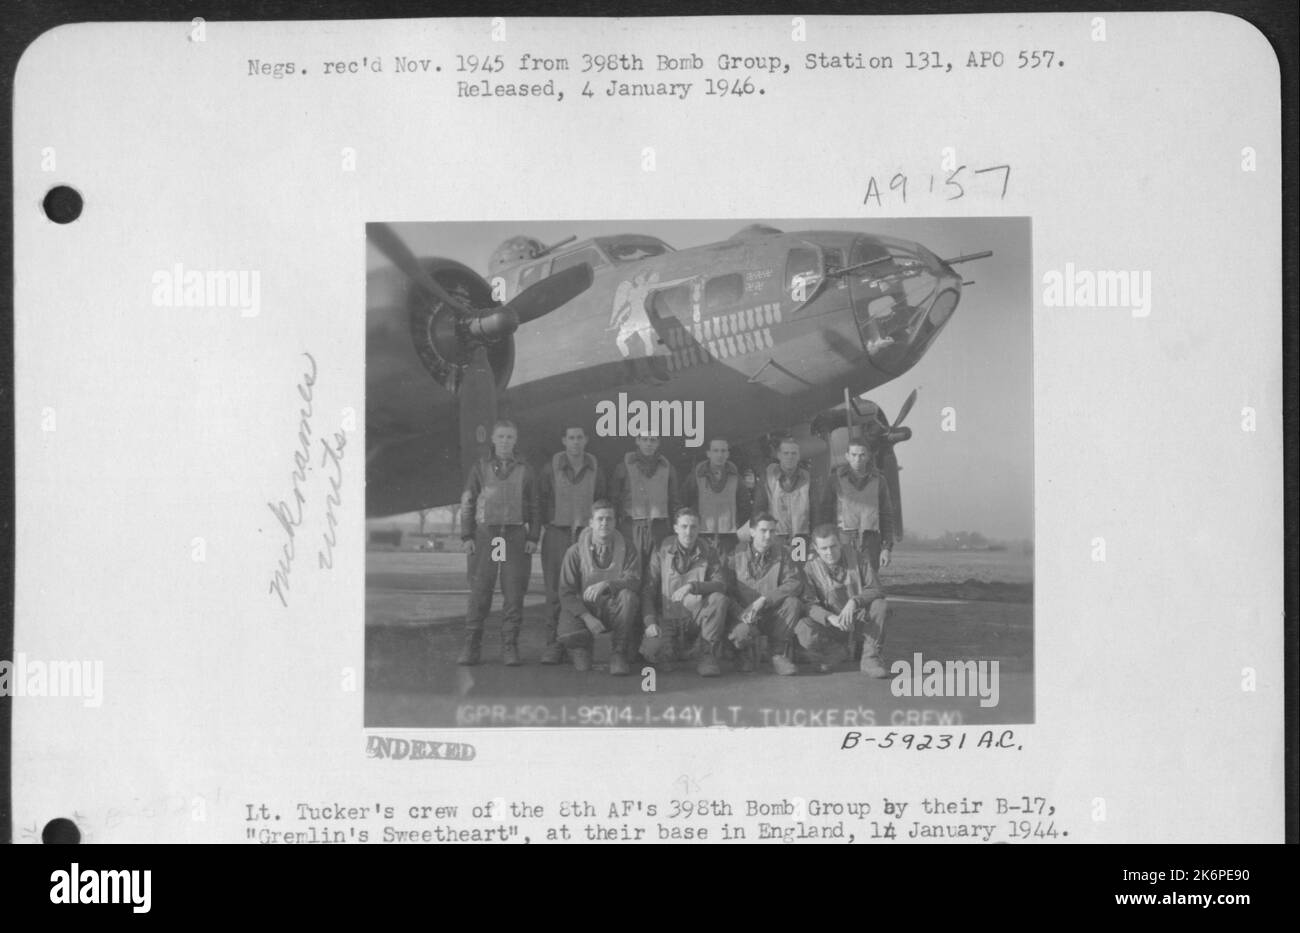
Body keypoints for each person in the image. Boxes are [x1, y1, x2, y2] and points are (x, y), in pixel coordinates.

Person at [456, 420, 541, 666]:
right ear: (493, 439)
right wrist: (467, 536)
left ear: (516, 441)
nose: (505, 441)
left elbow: (535, 505)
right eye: (501, 437)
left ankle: (509, 646)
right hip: (487, 535)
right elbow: (468, 501)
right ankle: (471, 646)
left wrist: (533, 537)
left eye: (510, 437)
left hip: (514, 536)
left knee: (514, 593)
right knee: (481, 591)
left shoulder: (526, 469)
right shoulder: (480, 466)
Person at [537, 425, 606, 665]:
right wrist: (550, 524)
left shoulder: (595, 469)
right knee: (555, 591)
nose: (575, 442)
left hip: (586, 536)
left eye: (580, 438)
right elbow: (540, 498)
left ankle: (580, 645)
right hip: (557, 534)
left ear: (585, 440)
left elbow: (602, 499)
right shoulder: (550, 469)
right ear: (564, 441)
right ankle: (553, 644)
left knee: (585, 590)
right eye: (571, 438)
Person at [555, 500, 641, 675]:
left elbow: (634, 581)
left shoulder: (628, 547)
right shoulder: (575, 552)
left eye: (609, 519)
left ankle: (619, 652)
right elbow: (566, 592)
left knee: (628, 596)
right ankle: (581, 648)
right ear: (591, 522)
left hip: (613, 608)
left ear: (615, 522)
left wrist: (607, 584)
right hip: (585, 610)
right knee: (579, 658)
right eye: (600, 519)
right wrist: (587, 618)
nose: (604, 523)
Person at [641, 508, 729, 677]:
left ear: (699, 528)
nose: (688, 532)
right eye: (684, 526)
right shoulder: (661, 549)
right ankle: (678, 650)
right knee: (653, 651)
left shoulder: (709, 551)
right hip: (667, 617)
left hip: (694, 618)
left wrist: (692, 586)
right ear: (675, 528)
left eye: (693, 527)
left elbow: (721, 584)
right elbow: (648, 589)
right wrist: (650, 622)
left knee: (719, 599)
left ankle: (707, 655)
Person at [800, 524, 889, 677]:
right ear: (815, 547)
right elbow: (809, 604)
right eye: (824, 548)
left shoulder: (858, 558)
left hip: (858, 619)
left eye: (833, 546)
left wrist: (855, 601)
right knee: (803, 625)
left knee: (880, 605)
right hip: (832, 624)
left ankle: (870, 659)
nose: (829, 553)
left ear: (840, 542)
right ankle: (835, 650)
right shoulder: (810, 568)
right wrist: (829, 618)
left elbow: (877, 589)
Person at [725, 513, 806, 676]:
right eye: (763, 530)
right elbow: (726, 590)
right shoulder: (735, 555)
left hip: (771, 614)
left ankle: (777, 654)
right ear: (752, 532)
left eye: (772, 531)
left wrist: (764, 600)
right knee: (740, 635)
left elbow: (795, 582)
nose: (768, 536)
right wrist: (740, 613)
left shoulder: (783, 553)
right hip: (743, 615)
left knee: (792, 603)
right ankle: (742, 654)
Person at [816, 430, 895, 574]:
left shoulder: (880, 481)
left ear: (868, 457)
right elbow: (824, 515)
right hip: (843, 539)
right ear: (847, 456)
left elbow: (886, 516)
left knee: (869, 584)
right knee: (843, 583)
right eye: (854, 455)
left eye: (862, 455)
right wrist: (821, 545)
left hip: (871, 542)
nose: (857, 459)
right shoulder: (834, 480)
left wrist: (886, 548)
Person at [609, 432, 679, 580]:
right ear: (637, 441)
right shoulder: (623, 467)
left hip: (659, 527)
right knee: (632, 570)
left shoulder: (668, 468)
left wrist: (675, 529)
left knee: (656, 572)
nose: (649, 443)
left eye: (653, 440)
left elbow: (675, 500)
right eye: (645, 439)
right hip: (632, 526)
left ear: (658, 443)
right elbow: (614, 499)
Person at [684, 437, 751, 560]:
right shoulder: (696, 476)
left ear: (728, 454)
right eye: (715, 451)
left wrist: (735, 523)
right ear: (708, 453)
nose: (719, 454)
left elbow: (745, 506)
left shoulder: (736, 478)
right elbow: (686, 502)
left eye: (723, 451)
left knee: (726, 574)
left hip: (728, 538)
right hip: (702, 536)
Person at [751, 435, 813, 557]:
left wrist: (816, 538)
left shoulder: (808, 478)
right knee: (776, 568)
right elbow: (759, 508)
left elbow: (816, 509)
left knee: (798, 569)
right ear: (779, 455)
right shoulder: (767, 478)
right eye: (786, 453)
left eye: (793, 453)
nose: (790, 457)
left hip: (800, 537)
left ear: (799, 456)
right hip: (775, 535)